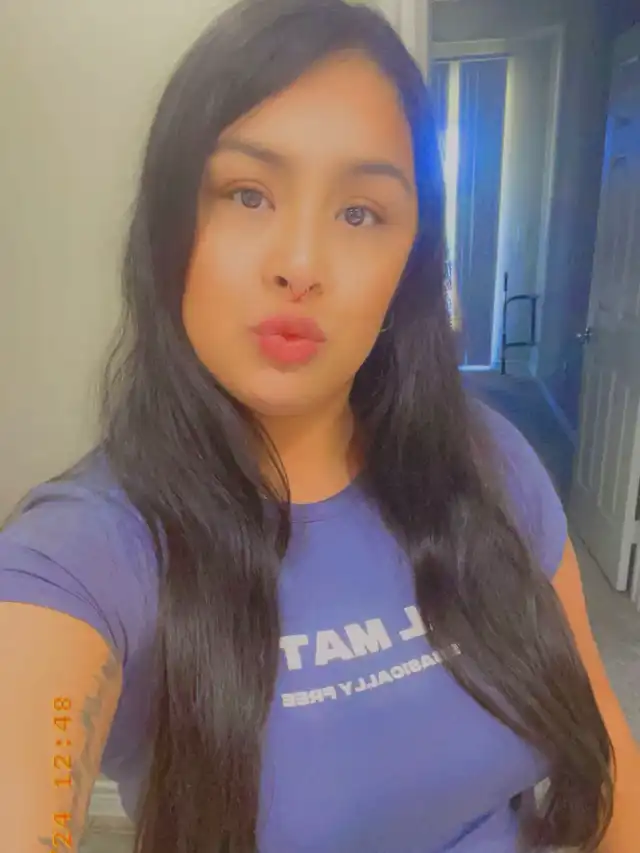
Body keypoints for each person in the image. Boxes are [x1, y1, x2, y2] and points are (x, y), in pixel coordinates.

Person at [1, 1, 638, 851]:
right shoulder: (86, 554)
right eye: (248, 194)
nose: (300, 265)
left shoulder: (491, 462)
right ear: (170, 225)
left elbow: (606, 747)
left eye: (360, 213)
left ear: (410, 262)